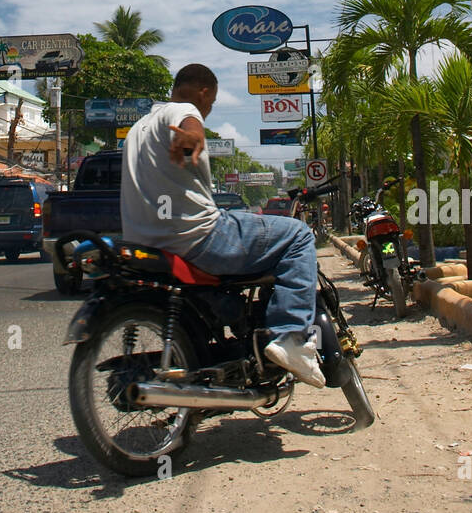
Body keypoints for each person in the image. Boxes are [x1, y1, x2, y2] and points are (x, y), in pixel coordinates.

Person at [120, 62, 325, 387]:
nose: (209, 109)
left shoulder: (136, 130)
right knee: (298, 235)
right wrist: (192, 136)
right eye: (211, 103)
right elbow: (190, 125)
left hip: (148, 243)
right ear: (204, 92)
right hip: (199, 237)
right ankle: (290, 338)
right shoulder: (183, 110)